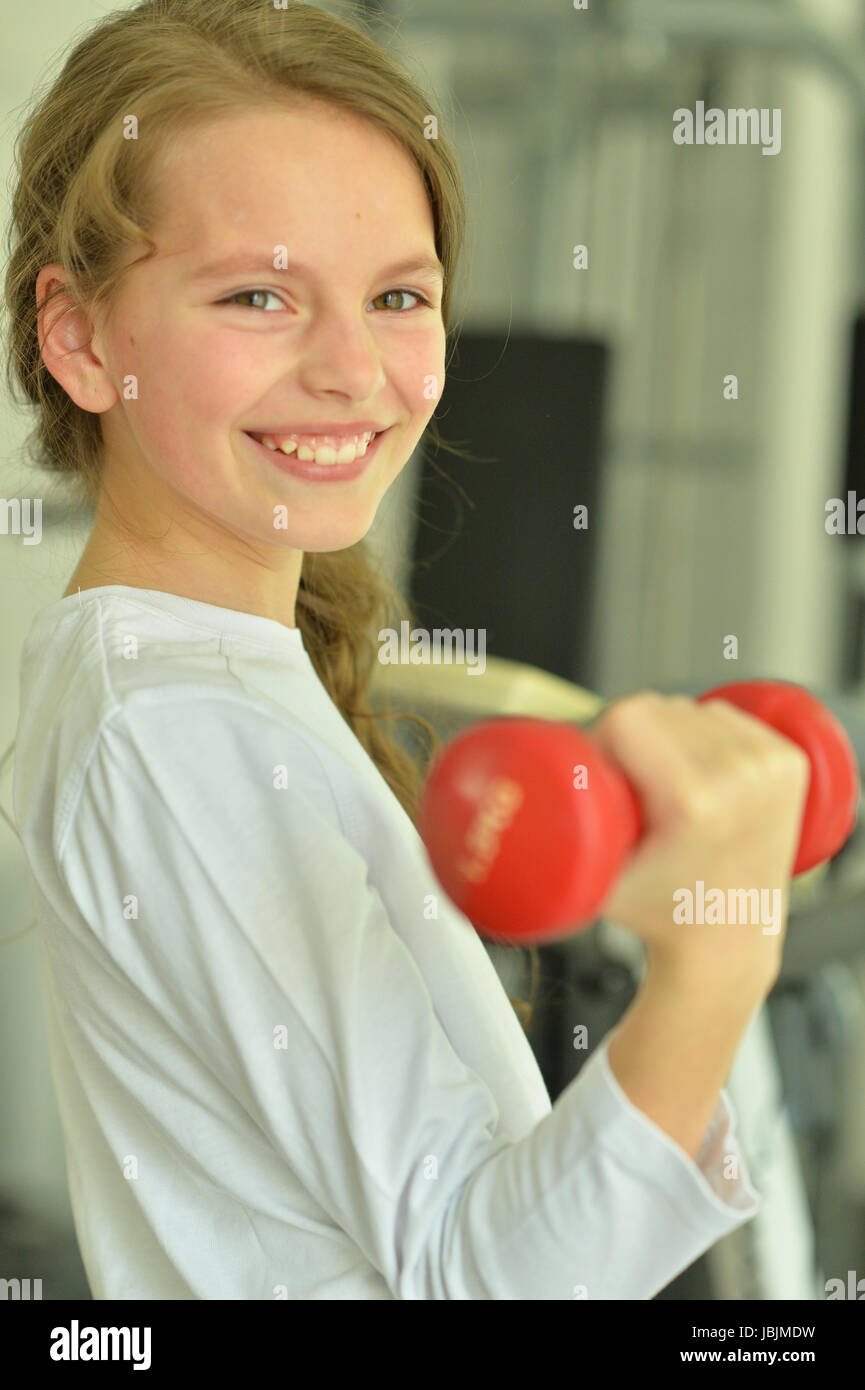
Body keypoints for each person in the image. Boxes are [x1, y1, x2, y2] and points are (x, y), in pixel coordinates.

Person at [5, 0, 809, 1300]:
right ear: (82, 338)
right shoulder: (172, 731)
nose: (351, 368)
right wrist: (717, 954)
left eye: (396, 296)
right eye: (258, 294)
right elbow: (480, 1279)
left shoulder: (188, 673)